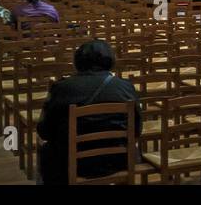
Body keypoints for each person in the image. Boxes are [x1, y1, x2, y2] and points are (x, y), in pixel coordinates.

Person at [36, 40, 141, 185]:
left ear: (77, 61)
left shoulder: (62, 88)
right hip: (118, 159)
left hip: (72, 162)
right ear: (111, 60)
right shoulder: (126, 87)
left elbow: (44, 131)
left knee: (45, 150)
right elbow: (136, 129)